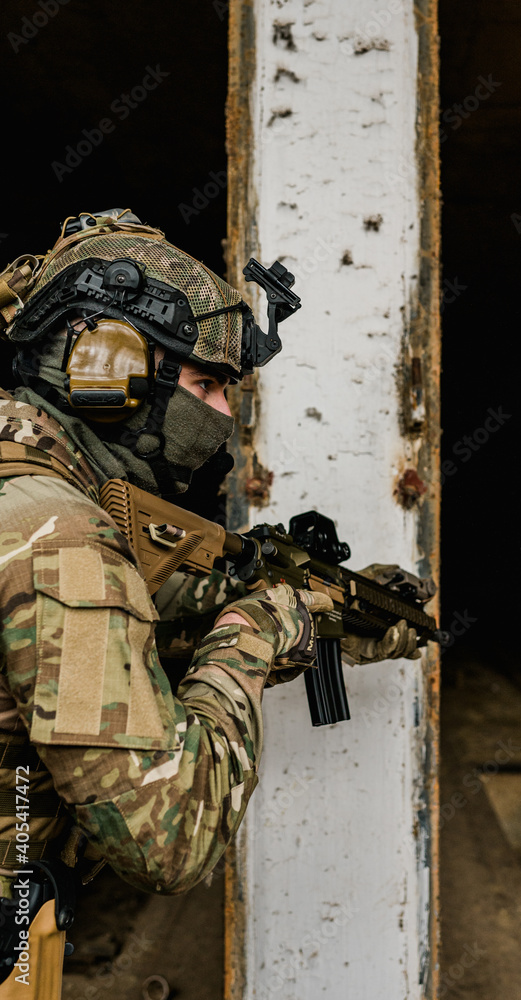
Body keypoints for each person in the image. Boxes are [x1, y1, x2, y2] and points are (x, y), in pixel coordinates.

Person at [0, 211, 418, 995]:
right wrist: (252, 633)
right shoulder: (60, 539)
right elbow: (170, 843)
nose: (224, 414)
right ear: (107, 370)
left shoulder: (23, 485)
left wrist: (316, 615)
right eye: (207, 385)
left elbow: (111, 640)